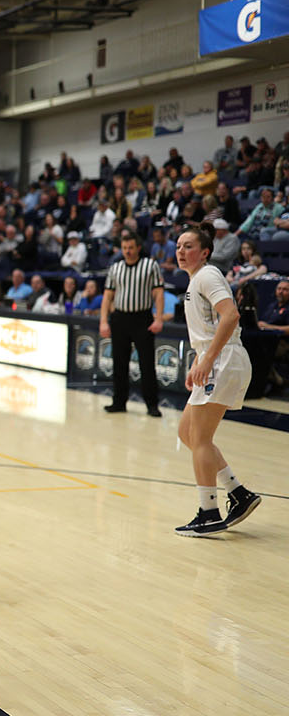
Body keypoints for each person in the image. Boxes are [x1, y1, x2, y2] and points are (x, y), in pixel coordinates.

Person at [172, 226, 261, 536]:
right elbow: (209, 330)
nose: (181, 251)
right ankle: (238, 493)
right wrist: (199, 360)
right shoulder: (196, 280)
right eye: (179, 245)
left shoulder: (207, 276)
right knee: (187, 432)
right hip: (216, 360)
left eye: (189, 246)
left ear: (205, 251)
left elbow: (230, 316)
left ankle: (209, 511)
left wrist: (208, 358)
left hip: (224, 360)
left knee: (199, 437)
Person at [100, 230, 164, 417]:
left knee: (147, 363)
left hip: (142, 318)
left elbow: (158, 293)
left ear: (138, 248)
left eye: (131, 247)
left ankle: (152, 405)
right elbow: (107, 297)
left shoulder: (150, 265)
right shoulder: (115, 268)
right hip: (120, 318)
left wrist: (159, 318)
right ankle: (119, 402)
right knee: (119, 363)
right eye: (124, 248)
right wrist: (104, 321)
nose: (127, 251)